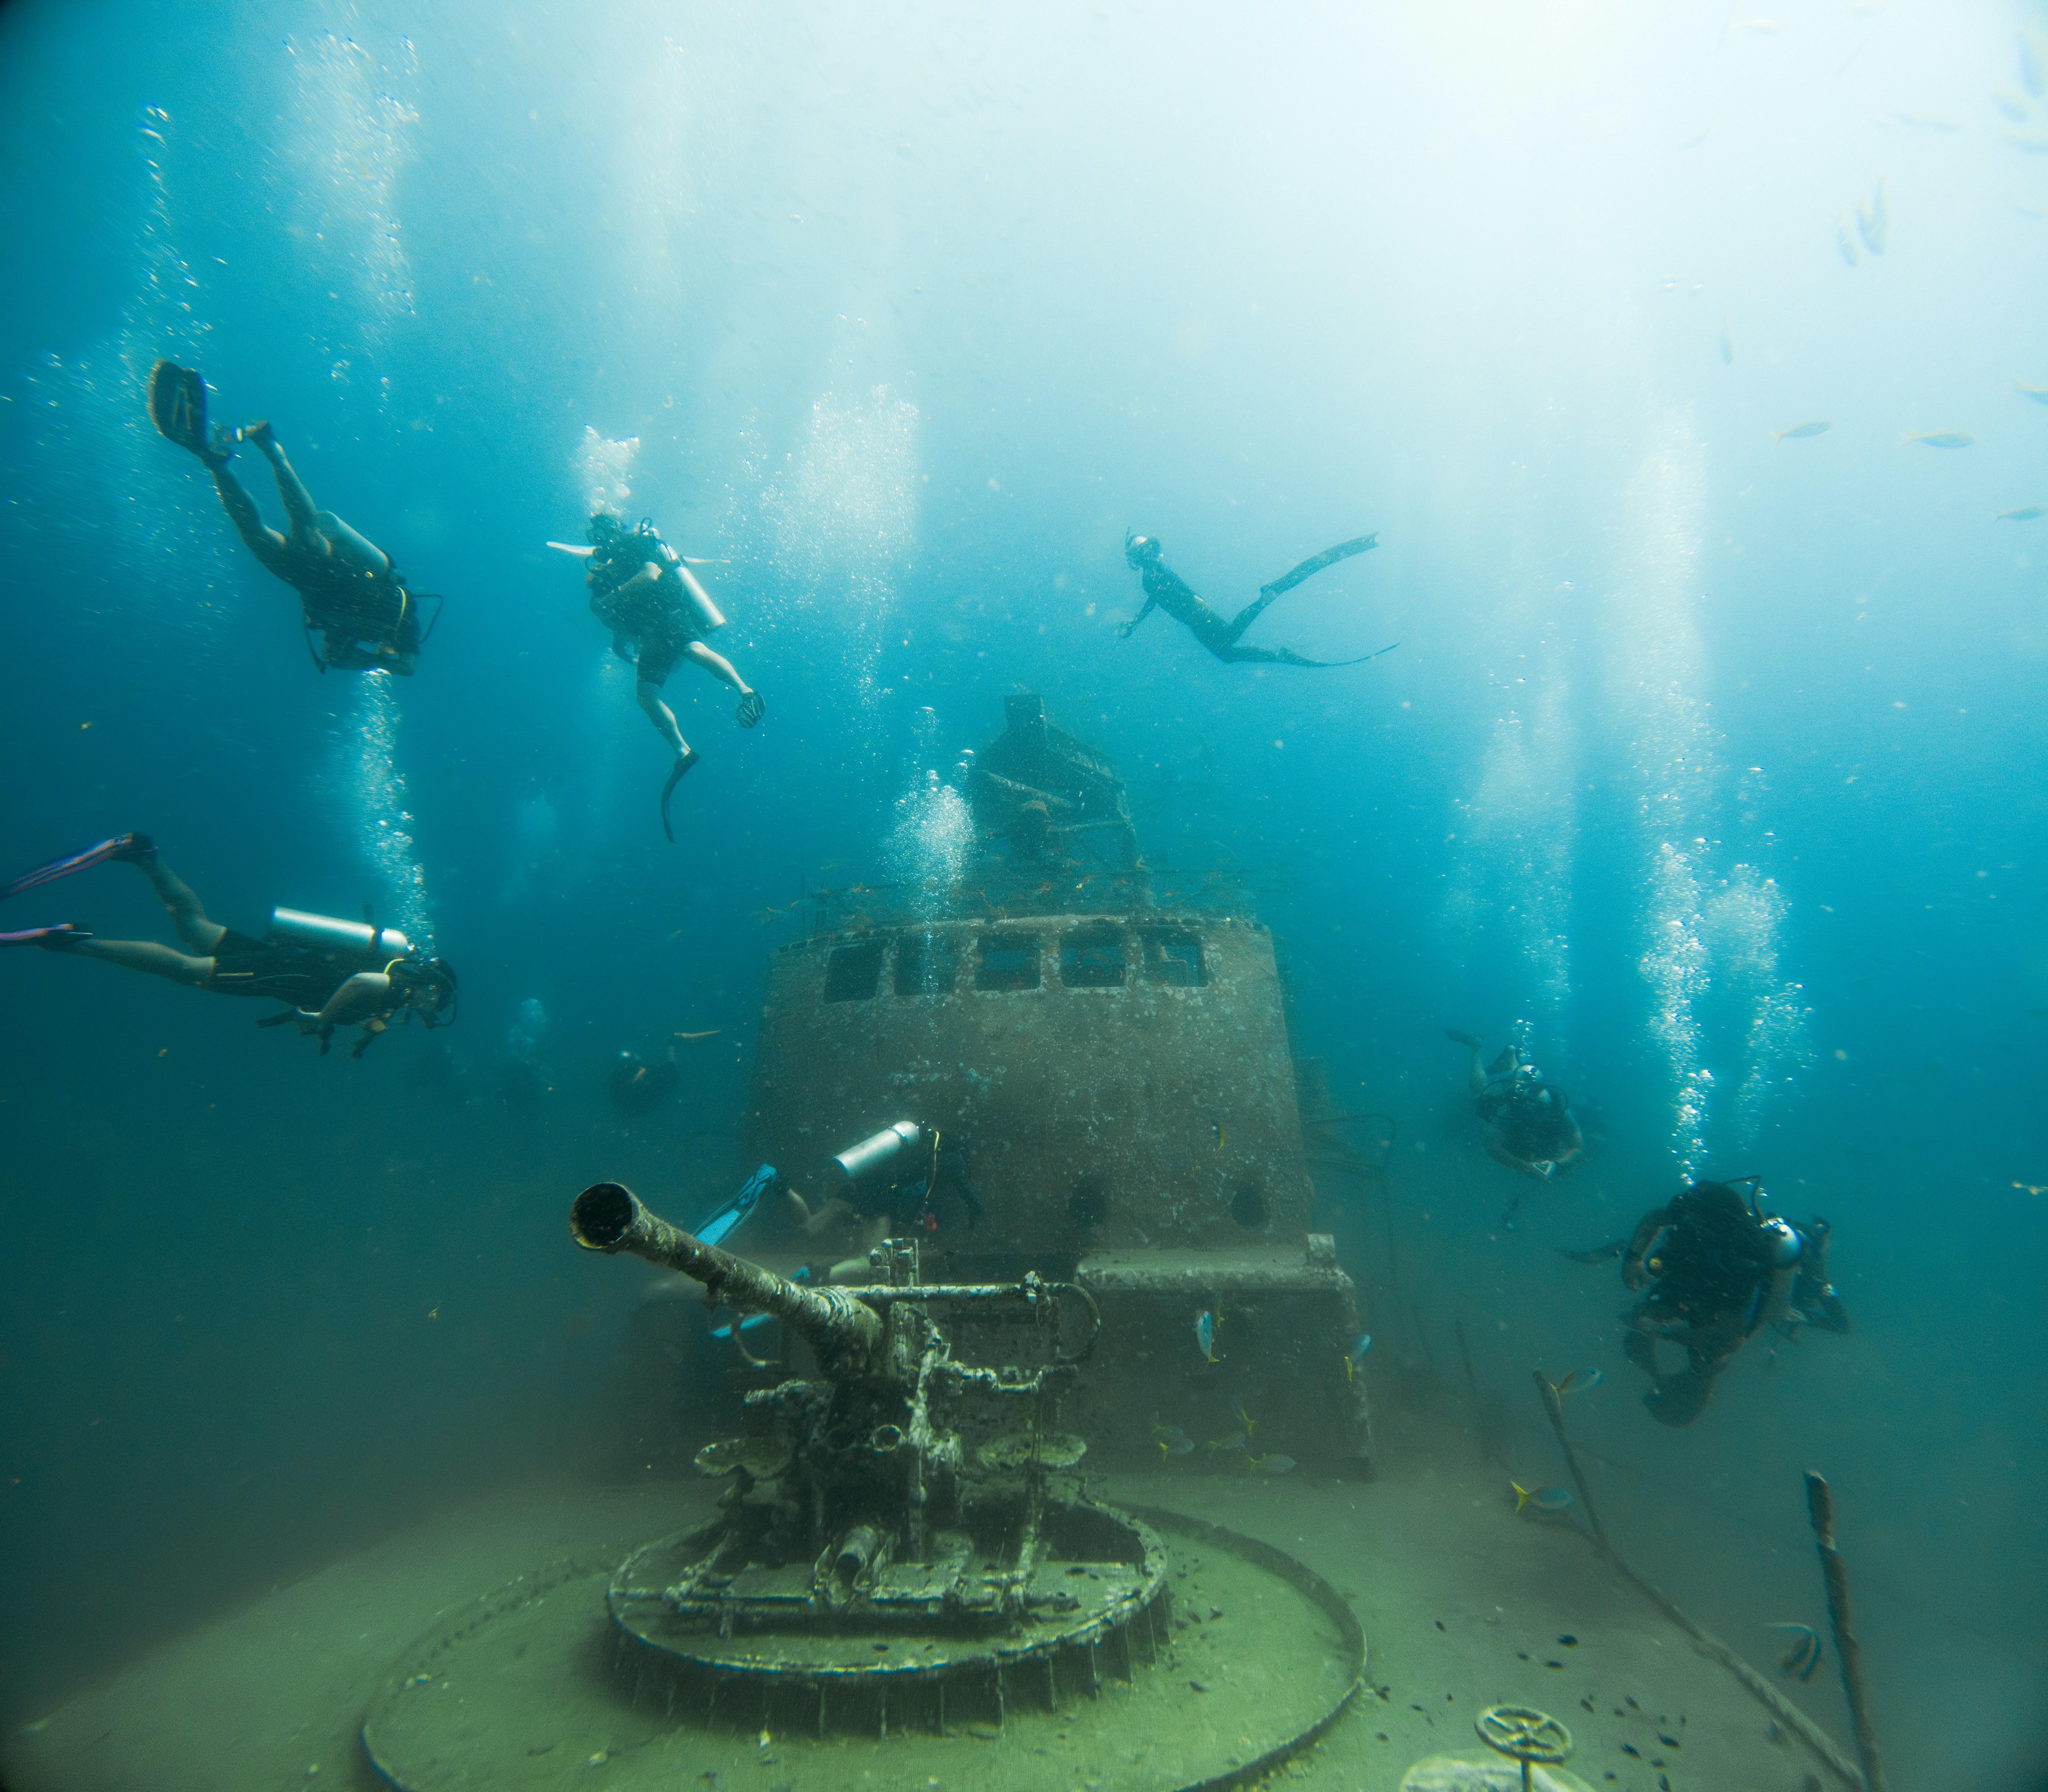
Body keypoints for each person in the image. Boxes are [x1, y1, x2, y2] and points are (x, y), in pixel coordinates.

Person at [1, 833, 456, 1059]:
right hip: (291, 973)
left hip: (292, 962)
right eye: (437, 1004)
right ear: (434, 988)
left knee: (196, 928)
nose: (430, 1012)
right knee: (187, 969)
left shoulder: (401, 982)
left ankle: (145, 855)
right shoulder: (401, 983)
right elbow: (359, 981)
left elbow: (358, 988)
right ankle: (72, 943)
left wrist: (343, 1022)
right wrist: (322, 1019)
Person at [146, 362, 430, 674]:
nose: (382, 649)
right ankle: (269, 446)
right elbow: (408, 668)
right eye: (385, 650)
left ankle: (214, 461)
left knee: (253, 535)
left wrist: (357, 655)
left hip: (301, 578)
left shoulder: (361, 633)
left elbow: (333, 652)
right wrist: (382, 661)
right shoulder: (404, 620)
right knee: (304, 522)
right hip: (328, 565)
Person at [575, 511, 764, 839]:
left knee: (693, 651)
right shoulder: (605, 571)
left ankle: (746, 691)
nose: (601, 541)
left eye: (601, 534)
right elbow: (609, 614)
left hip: (668, 615)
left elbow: (650, 576)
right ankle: (683, 752)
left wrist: (614, 597)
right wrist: (620, 636)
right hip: (649, 634)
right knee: (646, 696)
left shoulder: (635, 546)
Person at [1619, 1180, 1847, 1427]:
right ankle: (1673, 1390)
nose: (1690, 1227)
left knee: (1709, 1355)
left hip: (1721, 1299)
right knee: (1645, 1322)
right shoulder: (1693, 1215)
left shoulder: (1741, 1240)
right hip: (1698, 1291)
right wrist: (1634, 1259)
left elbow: (1737, 1331)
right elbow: (1657, 1218)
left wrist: (1670, 1333)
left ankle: (1817, 1245)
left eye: (1696, 1224)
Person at [1118, 531, 1392, 666]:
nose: (1147, 555)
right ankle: (1271, 621)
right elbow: (1155, 600)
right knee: (1226, 651)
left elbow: (1179, 590)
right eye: (1144, 552)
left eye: (1144, 552)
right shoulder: (1151, 576)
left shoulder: (1155, 573)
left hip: (1194, 613)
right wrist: (1136, 621)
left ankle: (1268, 601)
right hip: (1192, 616)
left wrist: (1197, 603)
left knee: (1228, 644)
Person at [785, 1121, 982, 1247]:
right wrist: (978, 1212)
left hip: (855, 1186)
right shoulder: (950, 1157)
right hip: (876, 1203)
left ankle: (781, 1188)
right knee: (870, 1261)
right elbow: (965, 1190)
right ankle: (817, 1275)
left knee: (809, 1230)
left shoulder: (908, 1147)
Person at [1446, 1028, 1583, 1181]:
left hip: (1520, 1088)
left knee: (1506, 1084)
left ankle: (1509, 1059)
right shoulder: (1520, 1108)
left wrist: (1557, 1163)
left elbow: (1576, 1144)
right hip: (1517, 1093)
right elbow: (1492, 1146)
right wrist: (1525, 1166)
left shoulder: (1554, 1107)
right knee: (1476, 1097)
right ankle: (1478, 1049)